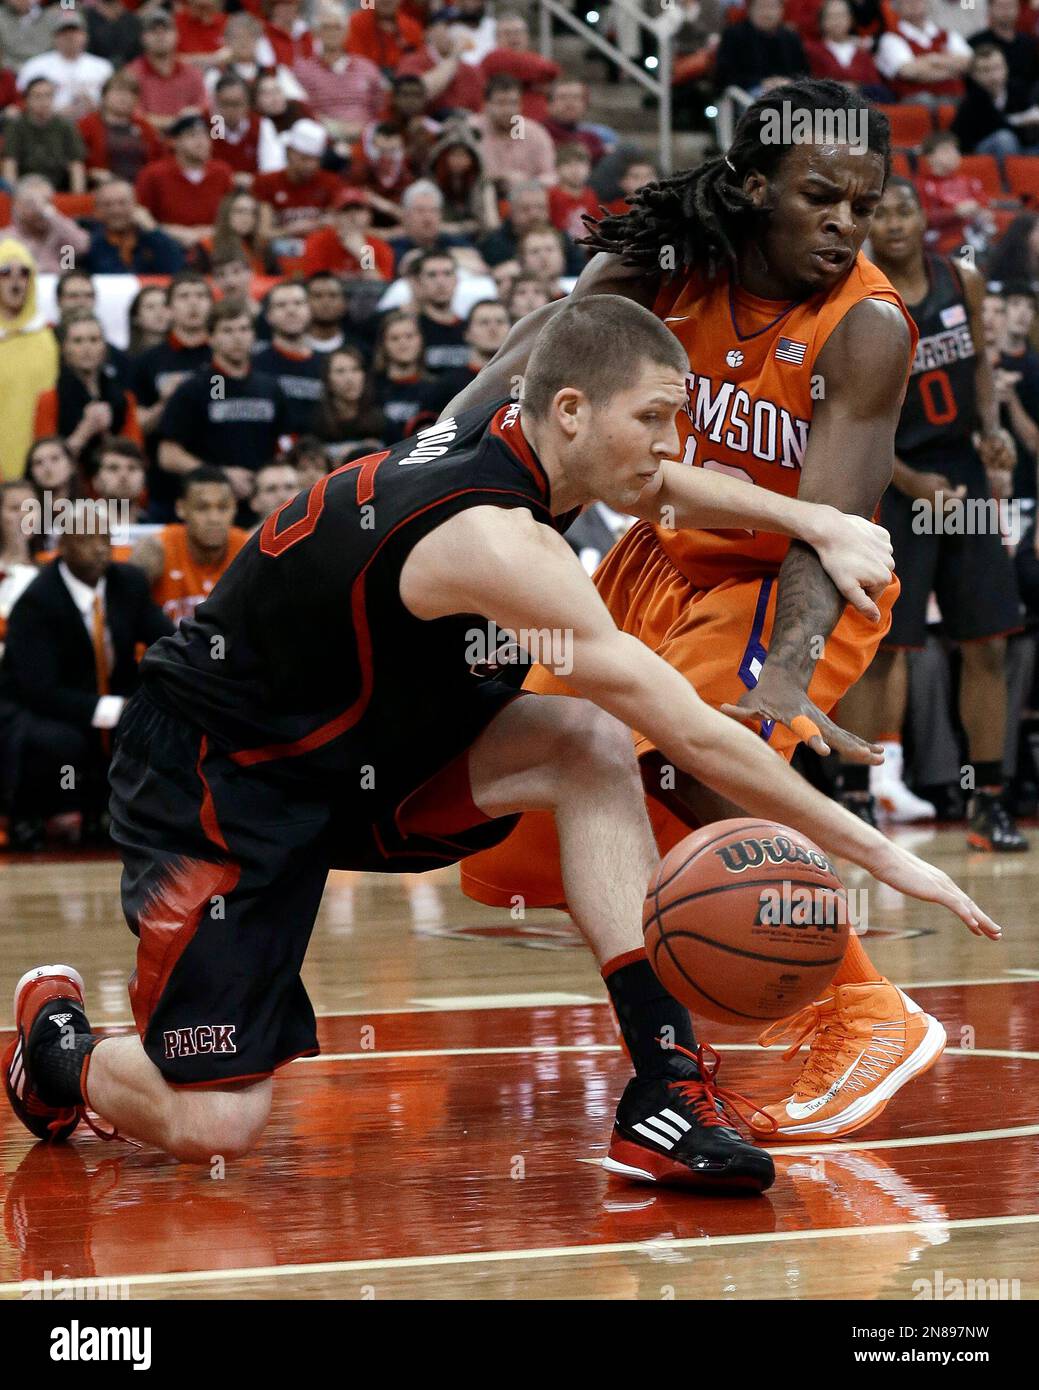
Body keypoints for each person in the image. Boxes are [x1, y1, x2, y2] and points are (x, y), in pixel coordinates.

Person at [1, 292, 998, 1182]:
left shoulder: (508, 430)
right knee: (216, 1118)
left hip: (365, 752)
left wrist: (807, 520)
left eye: (679, 418)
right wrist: (870, 851)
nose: (670, 443)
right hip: (220, 775)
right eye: (653, 417)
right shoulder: (494, 540)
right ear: (570, 411)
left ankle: (663, 1086)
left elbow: (664, 488)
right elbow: (689, 727)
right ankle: (57, 1050)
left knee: (587, 745)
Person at [462, 79, 977, 1144]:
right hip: (661, 559)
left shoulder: (867, 327)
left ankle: (864, 1011)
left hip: (787, 583)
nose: (846, 225)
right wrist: (420, 467)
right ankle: (707, 983)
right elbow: (514, 382)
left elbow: (822, 535)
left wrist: (781, 677)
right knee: (548, 780)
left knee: (681, 761)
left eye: (864, 203)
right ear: (749, 189)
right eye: (819, 198)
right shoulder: (658, 263)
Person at [836, 179, 1026, 850]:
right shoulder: (857, 301)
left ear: (922, 218)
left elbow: (977, 363)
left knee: (987, 643)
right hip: (891, 487)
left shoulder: (962, 276)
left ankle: (988, 801)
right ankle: (855, 798)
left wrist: (988, 425)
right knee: (881, 649)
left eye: (903, 209)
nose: (892, 221)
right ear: (864, 224)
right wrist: (914, 484)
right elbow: (848, 423)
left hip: (963, 481)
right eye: (879, 212)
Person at [0, 514, 172, 851]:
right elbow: (40, 690)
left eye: (104, 540)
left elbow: (165, 640)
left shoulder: (130, 582)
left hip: (106, 694)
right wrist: (114, 709)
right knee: (63, 742)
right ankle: (37, 814)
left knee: (160, 721)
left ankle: (132, 815)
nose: (97, 549)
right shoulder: (38, 601)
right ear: (62, 547)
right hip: (39, 706)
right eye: (85, 540)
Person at [157, 298, 292, 514]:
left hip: (263, 505)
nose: (237, 337)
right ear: (211, 338)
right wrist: (220, 474)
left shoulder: (270, 387)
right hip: (210, 505)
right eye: (227, 331)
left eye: (244, 329)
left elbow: (283, 446)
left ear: (253, 335)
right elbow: (168, 455)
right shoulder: (195, 388)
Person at [131, 465, 249, 625]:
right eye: (202, 508)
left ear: (235, 508)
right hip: (166, 648)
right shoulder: (158, 548)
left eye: (223, 508)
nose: (214, 518)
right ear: (181, 508)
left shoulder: (248, 549)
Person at [33, 312, 142, 467]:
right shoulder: (50, 399)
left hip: (113, 490)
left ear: (104, 347)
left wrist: (107, 434)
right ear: (64, 348)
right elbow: (44, 469)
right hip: (62, 490)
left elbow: (136, 458)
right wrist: (84, 431)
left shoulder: (124, 398)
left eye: (94, 340)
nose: (87, 348)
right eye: (78, 341)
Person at [136, 113, 235, 254]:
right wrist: (168, 232)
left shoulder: (222, 172)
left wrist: (211, 232)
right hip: (167, 246)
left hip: (214, 244)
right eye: (192, 135)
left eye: (205, 136)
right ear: (174, 141)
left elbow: (234, 212)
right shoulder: (154, 173)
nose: (201, 141)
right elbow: (140, 213)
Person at [0, 239, 57, 483]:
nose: (15, 281)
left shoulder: (50, 339)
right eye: (5, 273)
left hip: (44, 467)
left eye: (23, 273)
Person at [292, 5, 386, 142]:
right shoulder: (303, 70)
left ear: (347, 31)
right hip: (325, 140)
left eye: (337, 27)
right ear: (315, 32)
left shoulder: (367, 68)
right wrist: (334, 129)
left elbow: (381, 107)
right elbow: (304, 111)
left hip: (367, 139)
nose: (332, 32)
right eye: (326, 27)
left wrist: (367, 129)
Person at [253, 280, 325, 435]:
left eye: (298, 303)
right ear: (268, 316)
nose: (291, 310)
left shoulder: (328, 365)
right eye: (281, 305)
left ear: (310, 310)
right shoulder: (253, 365)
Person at [371, 308, 454, 441]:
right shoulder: (371, 389)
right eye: (394, 338)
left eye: (409, 336)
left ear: (421, 340)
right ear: (383, 344)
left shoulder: (440, 389)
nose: (403, 343)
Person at [16, 12, 113, 118]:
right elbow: (21, 102)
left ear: (85, 35)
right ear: (54, 37)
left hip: (93, 122)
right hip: (49, 125)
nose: (70, 36)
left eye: (74, 31)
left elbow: (114, 102)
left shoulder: (103, 67)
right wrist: (54, 112)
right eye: (64, 32)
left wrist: (95, 106)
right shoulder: (35, 66)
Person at [874, 0, 972, 104]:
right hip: (916, 104)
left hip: (957, 98)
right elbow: (909, 71)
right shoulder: (890, 38)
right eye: (906, 1)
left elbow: (969, 63)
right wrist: (952, 69)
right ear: (896, 7)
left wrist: (933, 60)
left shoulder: (947, 34)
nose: (914, 3)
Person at [471, 73, 557, 192]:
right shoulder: (471, 129)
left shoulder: (535, 133)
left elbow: (551, 176)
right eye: (501, 103)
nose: (508, 110)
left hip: (525, 199)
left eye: (513, 103)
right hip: (480, 197)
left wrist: (527, 183)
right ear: (486, 105)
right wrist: (498, 178)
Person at [127, 7, 208, 132]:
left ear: (177, 35)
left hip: (186, 141)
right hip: (147, 142)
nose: (160, 35)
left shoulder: (192, 73)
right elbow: (133, 116)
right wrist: (178, 121)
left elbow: (204, 109)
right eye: (153, 30)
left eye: (166, 29)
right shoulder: (131, 74)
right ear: (142, 37)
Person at [81, 178, 185, 276]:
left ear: (135, 205)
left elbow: (175, 269)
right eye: (107, 204)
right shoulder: (88, 238)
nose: (116, 210)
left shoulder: (151, 235)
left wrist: (153, 231)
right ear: (97, 209)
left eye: (122, 203)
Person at [77, 71, 165, 187]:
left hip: (141, 187)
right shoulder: (86, 125)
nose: (124, 97)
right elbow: (76, 160)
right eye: (118, 91)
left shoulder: (145, 127)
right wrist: (91, 172)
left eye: (130, 93)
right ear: (104, 96)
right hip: (102, 187)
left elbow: (160, 160)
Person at [951, 44, 1039, 158]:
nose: (994, 76)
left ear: (1006, 68)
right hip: (980, 155)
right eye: (985, 70)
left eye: (997, 68)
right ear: (974, 75)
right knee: (1004, 139)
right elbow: (995, 125)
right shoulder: (972, 100)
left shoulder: (1017, 90)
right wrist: (1022, 119)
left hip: (1020, 150)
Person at [0, 79, 86, 193]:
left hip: (59, 186)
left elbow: (76, 163)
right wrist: (12, 194)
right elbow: (10, 162)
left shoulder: (66, 126)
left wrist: (78, 196)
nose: (43, 101)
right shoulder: (16, 125)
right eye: (37, 96)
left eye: (48, 96)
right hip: (25, 187)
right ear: (26, 99)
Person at [712, 0, 808, 99]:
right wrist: (761, 82)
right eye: (761, 7)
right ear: (750, 10)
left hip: (787, 92)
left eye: (772, 7)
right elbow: (724, 76)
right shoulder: (734, 35)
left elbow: (804, 72)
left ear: (782, 10)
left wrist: (787, 81)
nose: (767, 13)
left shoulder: (790, 37)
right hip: (746, 95)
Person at [310, 345, 386, 459]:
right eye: (340, 371)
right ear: (327, 379)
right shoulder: (314, 423)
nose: (349, 379)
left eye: (355, 369)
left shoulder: (382, 421)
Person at [0, 175, 89, 272]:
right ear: (17, 205)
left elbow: (82, 246)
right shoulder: (5, 239)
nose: (40, 210)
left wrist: (50, 214)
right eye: (32, 203)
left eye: (47, 202)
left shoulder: (61, 234)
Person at [301, 187, 395, 279]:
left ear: (369, 216)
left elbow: (380, 288)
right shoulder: (317, 241)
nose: (352, 216)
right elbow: (314, 284)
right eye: (346, 210)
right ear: (335, 216)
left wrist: (362, 255)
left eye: (358, 210)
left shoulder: (380, 247)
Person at [208, 73, 285, 178]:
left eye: (236, 104)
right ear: (216, 103)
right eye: (225, 103)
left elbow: (271, 169)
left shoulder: (261, 125)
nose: (231, 110)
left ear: (247, 103)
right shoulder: (206, 124)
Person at [249, 458, 301, 524]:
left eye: (289, 487)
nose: (282, 496)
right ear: (254, 501)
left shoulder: (317, 533)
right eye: (271, 489)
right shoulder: (242, 534)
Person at [127, 285, 171, 357]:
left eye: (165, 305)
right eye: (150, 307)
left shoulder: (186, 353)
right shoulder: (125, 359)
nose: (159, 312)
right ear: (136, 318)